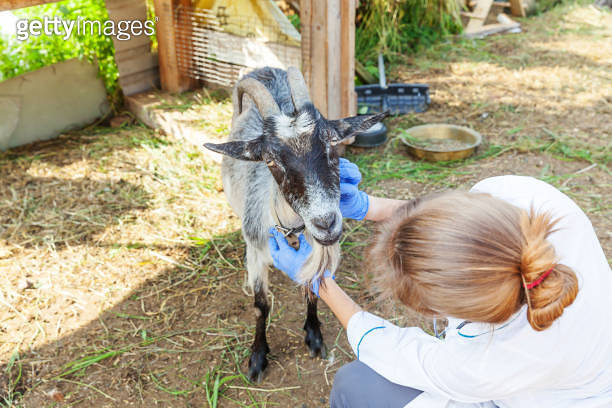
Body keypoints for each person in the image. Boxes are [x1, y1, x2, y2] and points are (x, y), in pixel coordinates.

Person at [267, 158, 612, 408]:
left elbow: (394, 348)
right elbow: (460, 222)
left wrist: (319, 281)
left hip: (537, 401)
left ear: (445, 313)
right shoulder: (528, 197)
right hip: (564, 371)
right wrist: (371, 207)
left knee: (355, 386)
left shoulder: (480, 365)